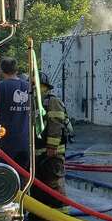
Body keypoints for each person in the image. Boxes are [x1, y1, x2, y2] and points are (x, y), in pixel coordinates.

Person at [34, 75, 69, 210]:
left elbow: (55, 124)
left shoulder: (52, 101)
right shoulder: (36, 101)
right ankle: (42, 213)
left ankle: (62, 214)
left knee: (54, 182)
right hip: (39, 152)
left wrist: (52, 146)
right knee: (40, 184)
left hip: (52, 152)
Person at [0, 57, 31, 168]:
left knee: (7, 175)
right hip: (26, 141)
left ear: (1, 70)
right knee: (24, 174)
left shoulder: (0, 87)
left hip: (6, 144)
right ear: (16, 70)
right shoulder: (28, 87)